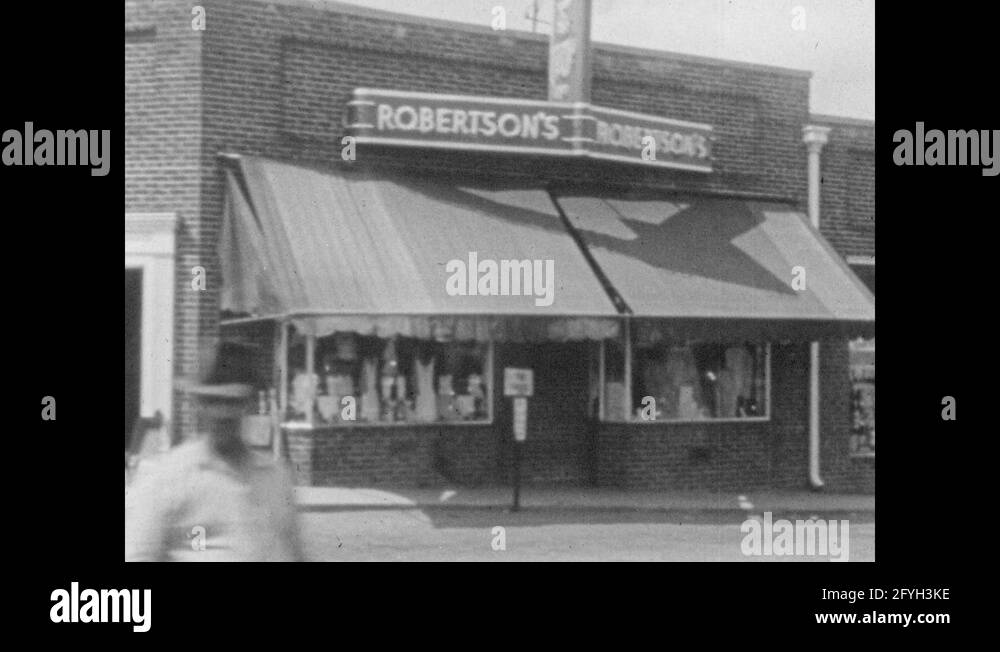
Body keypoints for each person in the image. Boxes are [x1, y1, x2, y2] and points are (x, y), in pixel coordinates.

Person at [125, 347, 303, 562]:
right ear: (198, 404)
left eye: (233, 401)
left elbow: (295, 554)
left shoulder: (275, 477)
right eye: (213, 401)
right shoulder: (167, 477)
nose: (223, 413)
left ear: (249, 404)